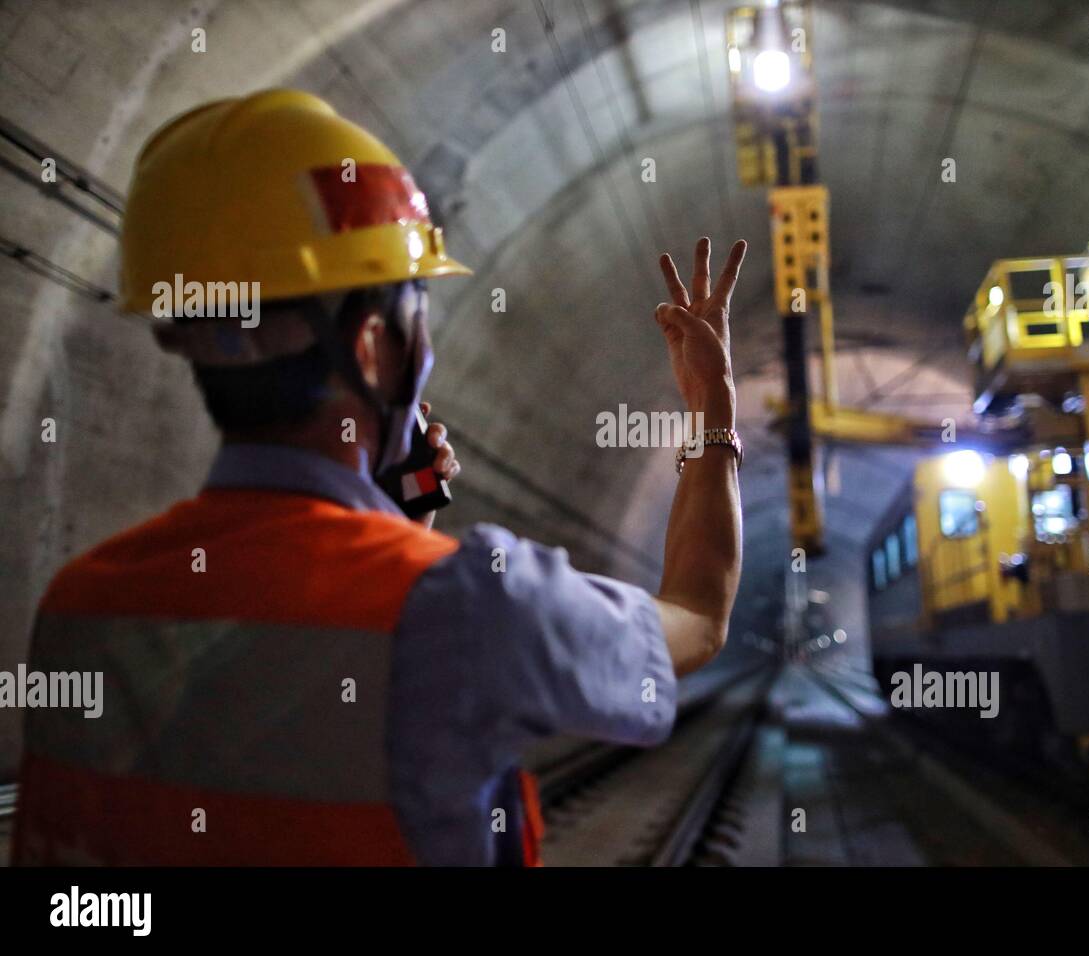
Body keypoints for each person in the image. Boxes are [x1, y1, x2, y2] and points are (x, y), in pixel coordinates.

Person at [12, 89, 747, 866]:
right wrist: (712, 408)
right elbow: (698, 617)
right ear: (371, 348)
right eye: (417, 310)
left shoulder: (80, 604)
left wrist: (389, 527)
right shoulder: (477, 606)